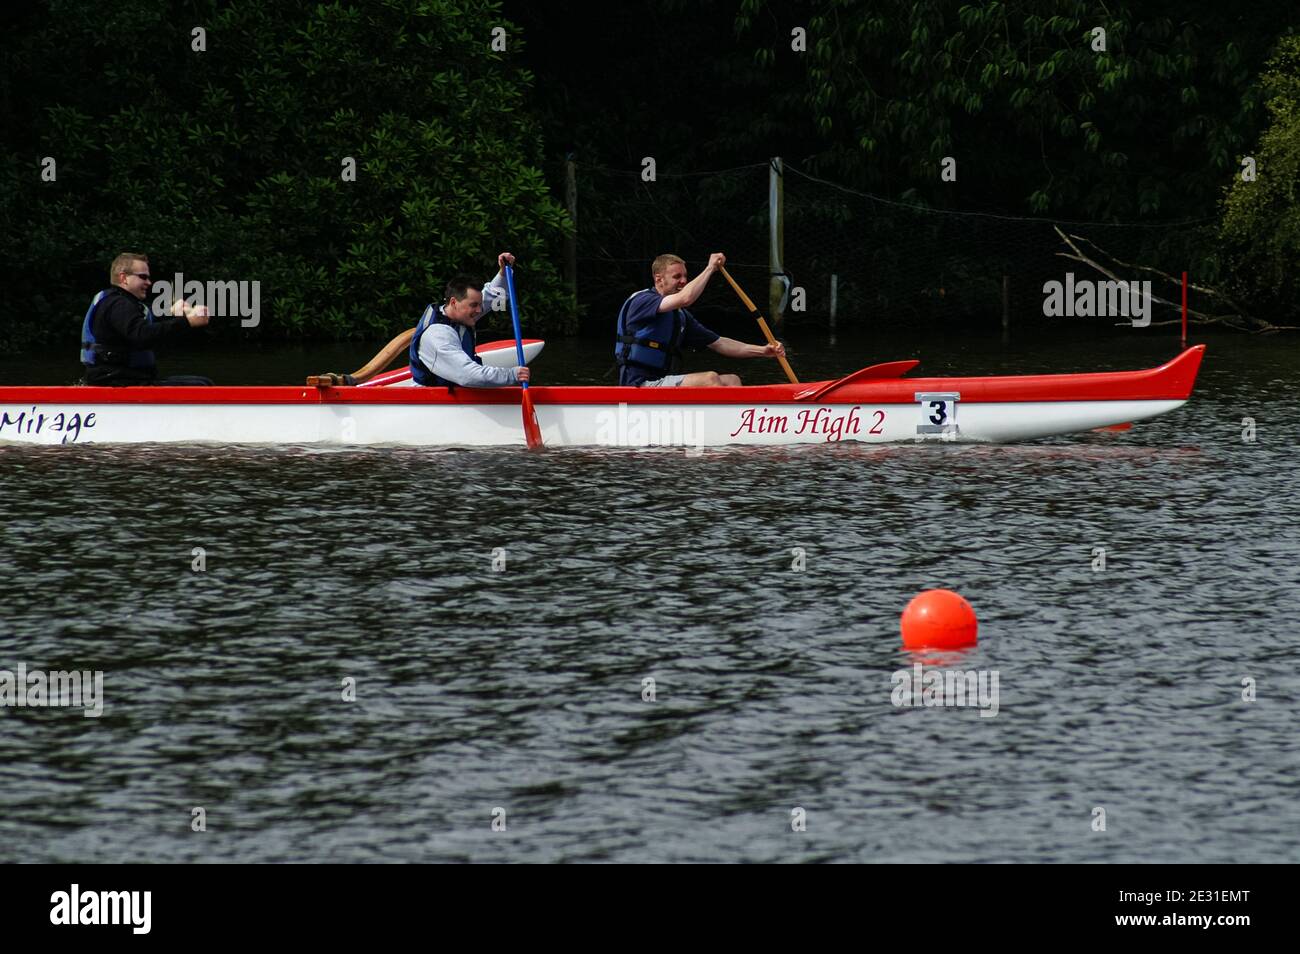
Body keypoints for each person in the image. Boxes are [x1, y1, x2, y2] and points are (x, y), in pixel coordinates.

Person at [615, 252, 785, 387]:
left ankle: (739, 426)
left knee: (732, 380)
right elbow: (686, 297)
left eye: (685, 276)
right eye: (677, 277)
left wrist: (763, 351)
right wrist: (710, 268)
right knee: (710, 378)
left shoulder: (679, 316)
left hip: (662, 381)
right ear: (658, 278)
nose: (683, 281)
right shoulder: (641, 301)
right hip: (638, 385)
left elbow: (720, 343)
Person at [80, 252, 212, 386]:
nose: (149, 282)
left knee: (203, 382)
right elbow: (142, 334)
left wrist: (172, 311)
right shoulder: (118, 304)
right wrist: (187, 322)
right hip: (116, 382)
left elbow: (148, 316)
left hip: (125, 379)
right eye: (143, 277)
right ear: (124, 278)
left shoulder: (120, 302)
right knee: (202, 386)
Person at [409, 252, 530, 388]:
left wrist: (503, 272)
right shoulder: (438, 335)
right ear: (454, 302)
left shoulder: (458, 311)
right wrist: (512, 375)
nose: (480, 310)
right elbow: (467, 375)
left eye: (479, 304)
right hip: (433, 401)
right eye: (474, 305)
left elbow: (494, 297)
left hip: (454, 394)